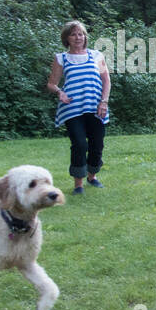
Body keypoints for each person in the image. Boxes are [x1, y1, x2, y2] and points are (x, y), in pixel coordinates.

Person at [48, 20, 110, 195]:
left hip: (96, 106)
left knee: (97, 144)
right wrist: (60, 92)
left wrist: (104, 101)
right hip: (72, 108)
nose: (78, 37)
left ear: (85, 37)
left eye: (81, 34)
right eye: (73, 34)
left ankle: (92, 176)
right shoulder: (61, 58)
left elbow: (106, 80)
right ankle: (78, 184)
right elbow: (52, 83)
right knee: (79, 144)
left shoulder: (96, 56)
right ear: (67, 38)